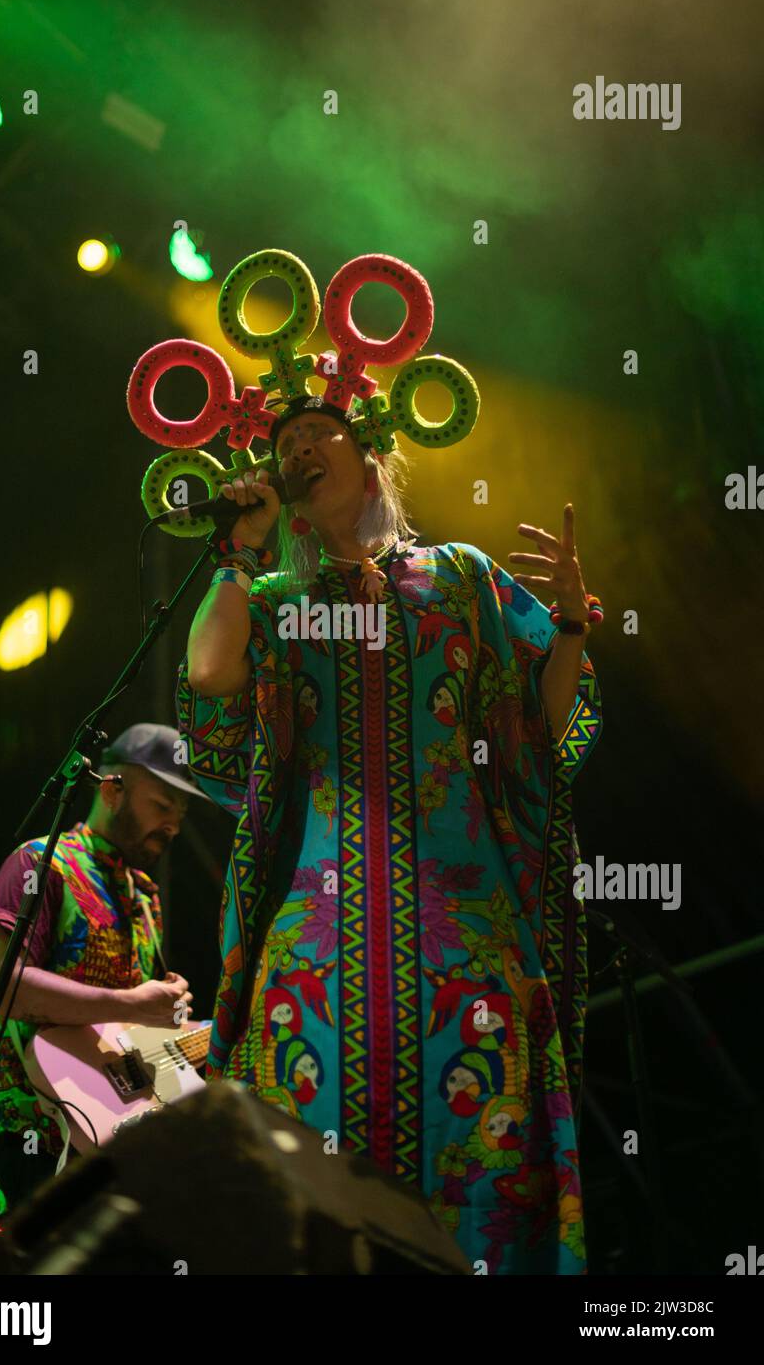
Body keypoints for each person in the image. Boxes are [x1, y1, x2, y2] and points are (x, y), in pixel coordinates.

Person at [177, 393, 603, 1275]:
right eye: (281, 443)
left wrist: (566, 625)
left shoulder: (458, 575)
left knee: (479, 1157)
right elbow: (209, 672)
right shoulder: (274, 598)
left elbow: (540, 733)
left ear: (370, 458)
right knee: (315, 1181)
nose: (294, 450)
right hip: (314, 942)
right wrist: (237, 547)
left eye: (313, 435)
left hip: (466, 931)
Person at [0, 723, 205, 1214]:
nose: (174, 825)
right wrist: (131, 1003)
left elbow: (126, 1030)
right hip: (40, 1130)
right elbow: (0, 986)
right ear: (111, 790)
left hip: (121, 1131)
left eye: (180, 813)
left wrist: (170, 1008)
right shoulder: (39, 864)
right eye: (163, 805)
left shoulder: (144, 894)